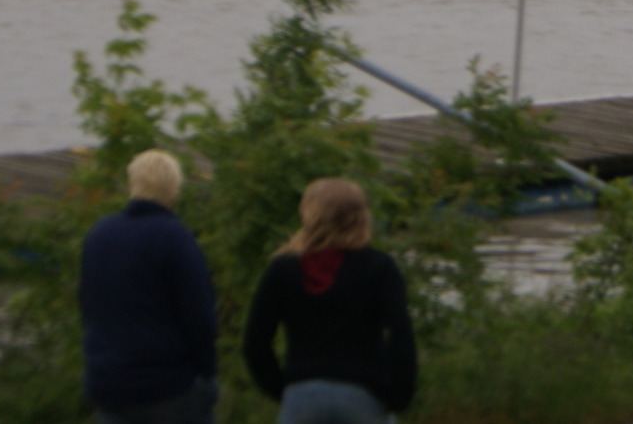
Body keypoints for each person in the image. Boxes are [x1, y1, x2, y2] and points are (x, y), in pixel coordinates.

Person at [243, 178, 418, 424]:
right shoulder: (380, 267)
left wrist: (282, 389)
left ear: (308, 214)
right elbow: (401, 334)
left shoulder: (283, 268)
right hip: (363, 392)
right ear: (361, 216)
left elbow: (255, 341)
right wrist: (400, 395)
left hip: (302, 393)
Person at [77, 150, 219, 424]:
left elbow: (88, 304)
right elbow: (199, 313)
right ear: (174, 189)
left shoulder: (99, 235)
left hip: (109, 383)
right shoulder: (175, 238)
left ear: (132, 183)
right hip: (166, 385)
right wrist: (206, 369)